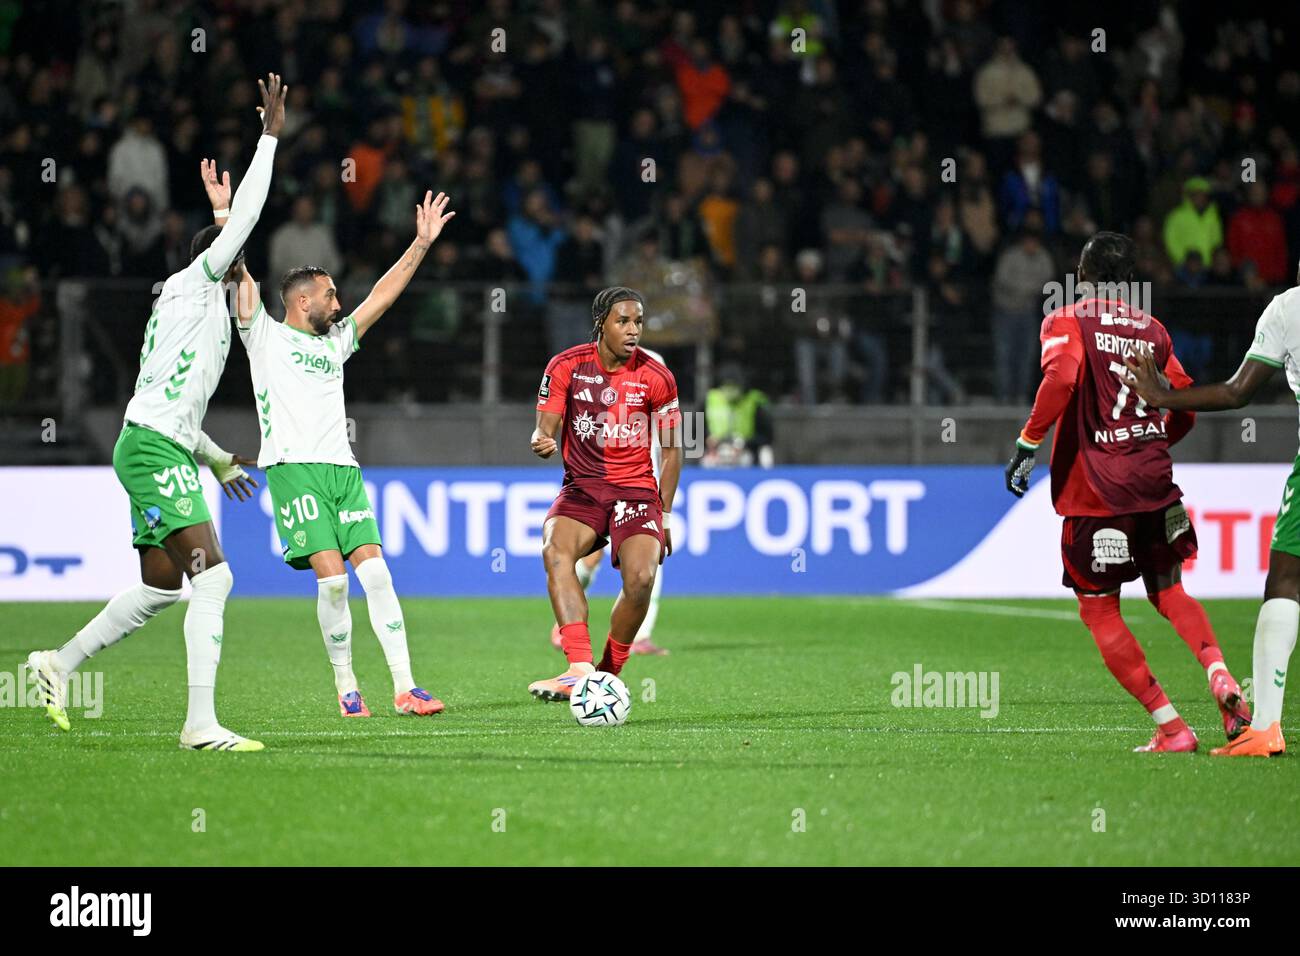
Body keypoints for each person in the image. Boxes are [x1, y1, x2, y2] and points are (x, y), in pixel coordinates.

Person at [24, 74, 288, 752]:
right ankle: (200, 725)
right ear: (216, 263)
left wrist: (220, 457)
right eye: (234, 264)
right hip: (150, 450)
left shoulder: (191, 308)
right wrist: (268, 138)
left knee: (164, 587)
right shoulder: (197, 285)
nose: (242, 276)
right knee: (216, 576)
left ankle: (55, 664)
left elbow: (171, 408)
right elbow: (243, 232)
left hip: (152, 440)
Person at [1004, 231, 1251, 753]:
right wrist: (1158, 440)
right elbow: (1182, 401)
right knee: (1170, 592)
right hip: (1155, 485)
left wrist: (1027, 443)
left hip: (1097, 494)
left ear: (1082, 273)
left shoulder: (1065, 319)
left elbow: (1062, 379)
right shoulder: (1152, 329)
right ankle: (1221, 675)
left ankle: (1172, 729)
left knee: (1100, 610)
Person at [230, 184, 455, 718]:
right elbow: (236, 272)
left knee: (375, 574)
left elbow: (382, 294)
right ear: (303, 300)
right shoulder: (261, 334)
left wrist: (420, 244)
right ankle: (347, 686)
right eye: (330, 295)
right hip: (293, 471)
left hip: (342, 471)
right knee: (333, 581)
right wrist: (225, 211)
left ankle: (405, 688)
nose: (339, 303)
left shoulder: (336, 342)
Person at [1125, 264, 1300, 756]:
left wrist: (1162, 396)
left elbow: (1236, 391)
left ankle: (1265, 728)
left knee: (1286, 581)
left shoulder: (1289, 307)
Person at [529, 288, 683, 700]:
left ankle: (607, 672)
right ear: (601, 323)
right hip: (583, 489)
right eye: (623, 322)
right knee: (554, 550)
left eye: (638, 322)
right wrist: (542, 438)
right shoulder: (566, 365)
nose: (633, 331)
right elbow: (546, 425)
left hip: (636, 493)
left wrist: (664, 516)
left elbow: (673, 450)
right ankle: (578, 667)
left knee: (641, 579)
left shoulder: (657, 374)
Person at [547, 343, 675, 658]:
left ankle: (633, 636)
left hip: (640, 478)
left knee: (643, 561)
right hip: (598, 477)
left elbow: (667, 434)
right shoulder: (583, 365)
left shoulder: (652, 364)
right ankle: (573, 622)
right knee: (592, 553)